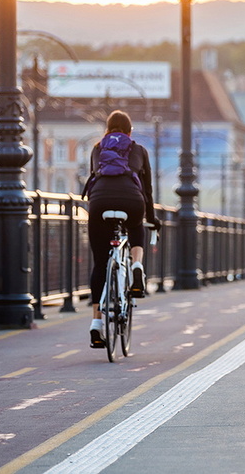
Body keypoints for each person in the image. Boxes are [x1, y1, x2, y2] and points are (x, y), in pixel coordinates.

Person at [84, 110, 159, 348]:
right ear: (130, 131)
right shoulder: (139, 150)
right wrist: (153, 218)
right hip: (132, 201)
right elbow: (147, 191)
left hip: (99, 203)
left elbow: (93, 178)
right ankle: (136, 266)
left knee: (100, 263)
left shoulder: (97, 148)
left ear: (107, 130)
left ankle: (96, 324)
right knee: (136, 225)